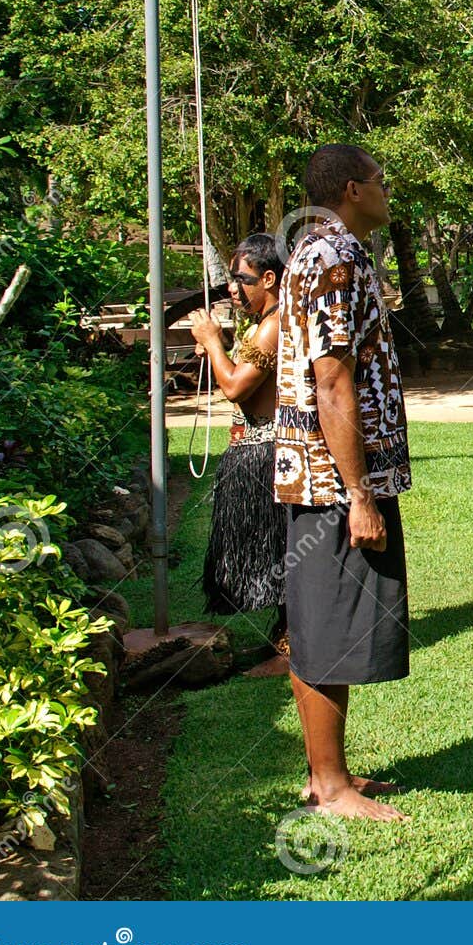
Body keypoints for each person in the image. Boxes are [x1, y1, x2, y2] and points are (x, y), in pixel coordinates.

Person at [275, 144, 412, 821]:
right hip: (333, 480)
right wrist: (359, 493)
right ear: (353, 189)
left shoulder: (321, 252)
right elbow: (332, 381)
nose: (390, 193)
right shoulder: (333, 259)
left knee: (330, 620)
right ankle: (329, 788)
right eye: (382, 182)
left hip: (330, 474)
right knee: (326, 622)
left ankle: (335, 774)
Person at [190, 234, 288, 675]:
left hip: (266, 454)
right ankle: (283, 641)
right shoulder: (263, 320)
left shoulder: (273, 324)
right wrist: (219, 345)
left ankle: (291, 649)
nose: (232, 288)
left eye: (240, 279)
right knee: (273, 554)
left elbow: (234, 387)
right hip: (256, 451)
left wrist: (213, 341)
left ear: (268, 278)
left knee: (280, 555)